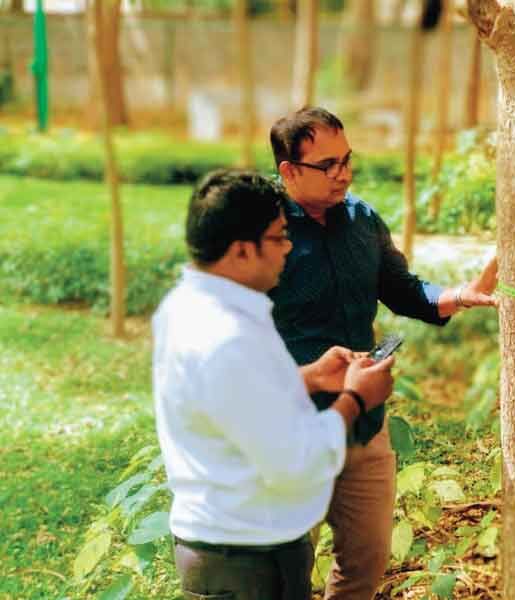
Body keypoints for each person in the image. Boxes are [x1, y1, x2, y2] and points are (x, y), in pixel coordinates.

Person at [268, 106, 497, 600]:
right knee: (283, 576)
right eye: (327, 165)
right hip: (289, 431)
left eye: (347, 159)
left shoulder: (362, 219)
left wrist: (461, 293)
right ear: (288, 171)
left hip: (364, 427)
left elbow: (403, 289)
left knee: (365, 565)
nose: (343, 173)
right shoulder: (263, 236)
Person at [153, 170, 397, 600]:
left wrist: (308, 377)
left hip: (236, 549)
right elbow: (296, 462)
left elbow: (231, 402)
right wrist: (355, 399)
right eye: (280, 237)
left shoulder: (191, 305)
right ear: (242, 250)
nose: (288, 249)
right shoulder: (227, 337)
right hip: (247, 563)